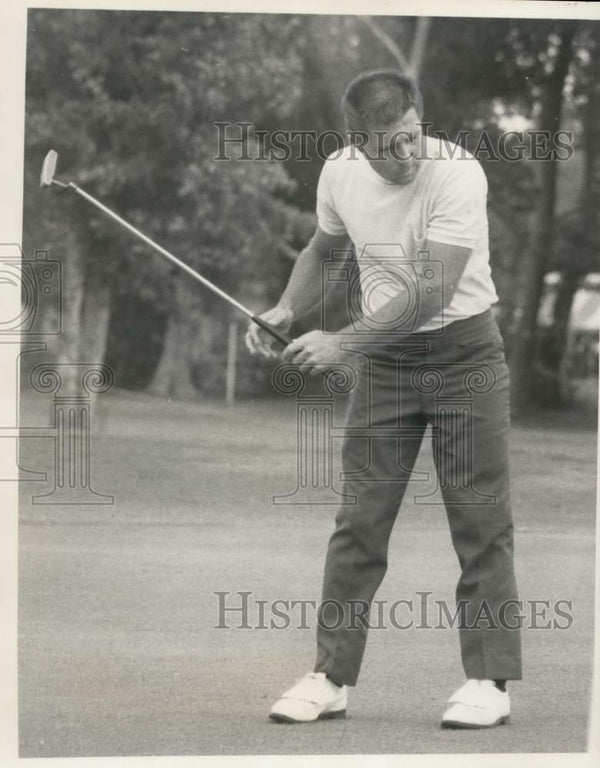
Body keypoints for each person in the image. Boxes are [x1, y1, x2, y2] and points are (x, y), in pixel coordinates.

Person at [245, 70, 522, 729]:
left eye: (409, 137)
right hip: (389, 366)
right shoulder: (340, 174)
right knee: (359, 523)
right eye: (385, 147)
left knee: (481, 520)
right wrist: (286, 308)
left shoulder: (457, 174)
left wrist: (343, 343)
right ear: (356, 146)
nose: (403, 156)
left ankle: (489, 682)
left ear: (418, 117)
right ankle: (330, 677)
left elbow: (431, 291)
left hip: (466, 355)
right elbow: (322, 249)